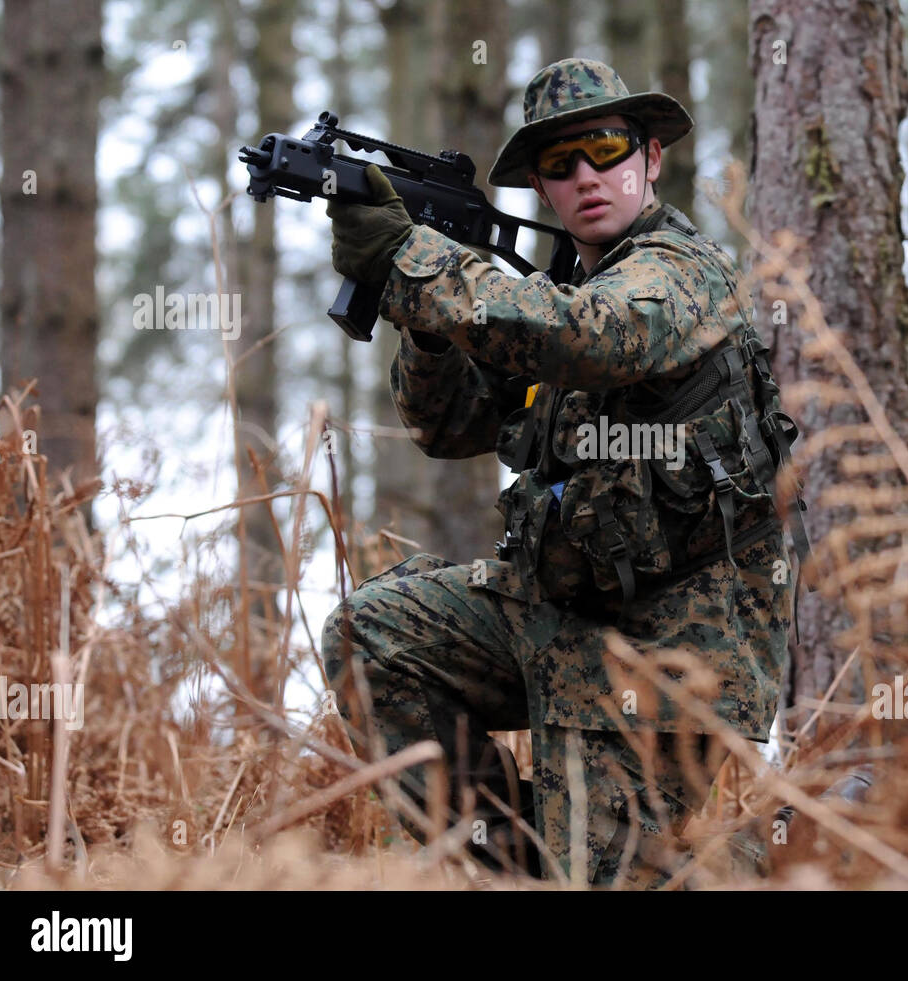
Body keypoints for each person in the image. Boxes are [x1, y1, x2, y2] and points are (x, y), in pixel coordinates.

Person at [321, 58, 807, 888]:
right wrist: (428, 320)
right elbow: (449, 425)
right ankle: (510, 867)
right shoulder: (546, 296)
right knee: (374, 635)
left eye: (606, 147)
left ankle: (793, 860)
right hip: (558, 616)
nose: (586, 175)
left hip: (672, 652)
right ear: (542, 189)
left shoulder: (684, 273)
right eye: (559, 164)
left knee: (607, 881)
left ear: (650, 158)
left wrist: (420, 260)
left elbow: (588, 336)